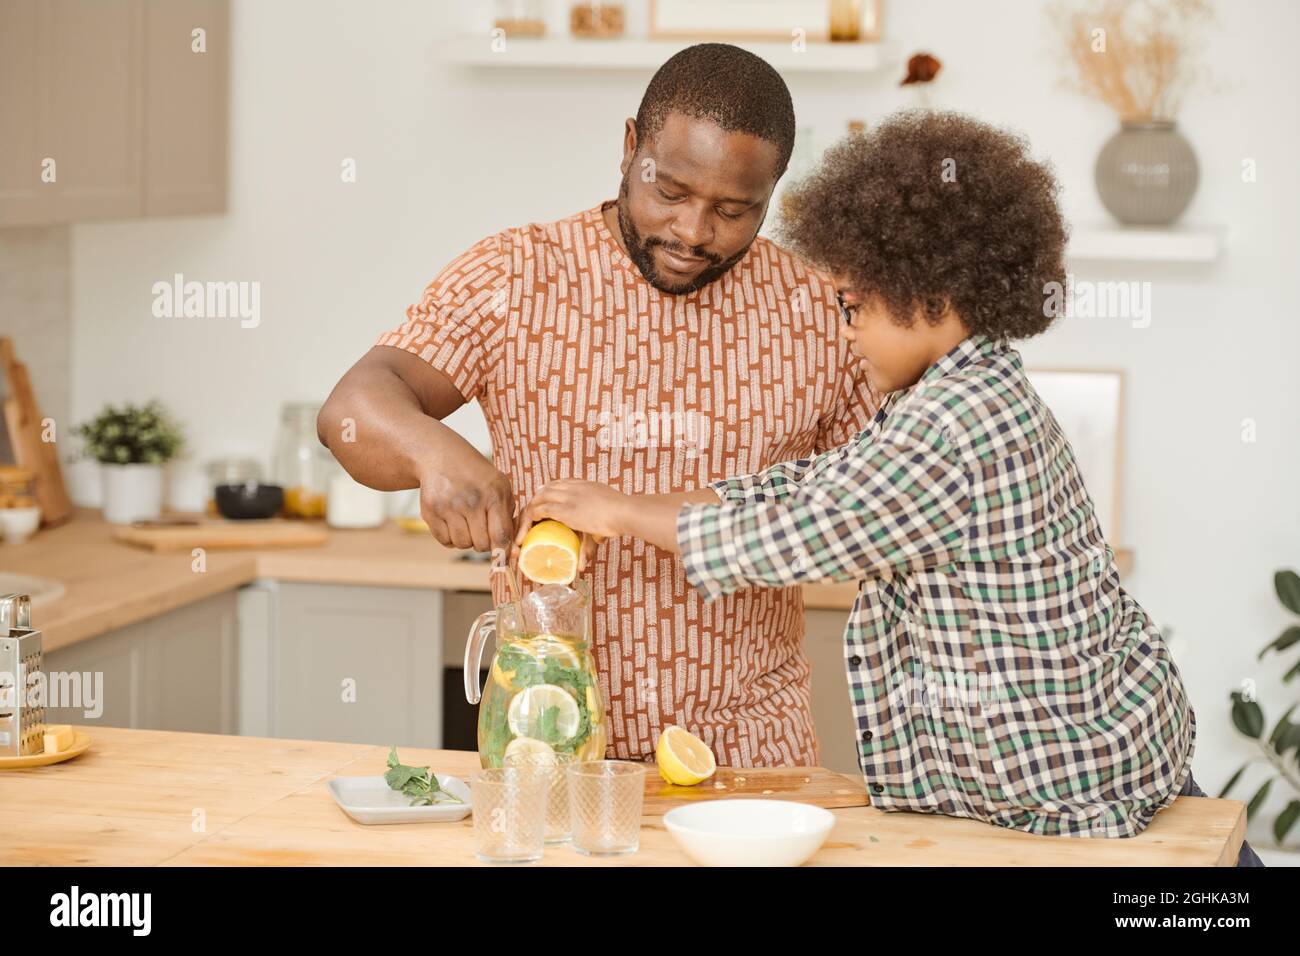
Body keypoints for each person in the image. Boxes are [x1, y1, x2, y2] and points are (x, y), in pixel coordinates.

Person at [515, 110, 1266, 863]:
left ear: (930, 297)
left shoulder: (952, 427)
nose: (845, 332)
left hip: (1065, 792)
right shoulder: (958, 391)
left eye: (853, 308)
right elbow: (824, 481)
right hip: (1066, 763)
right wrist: (691, 498)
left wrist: (621, 510)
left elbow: (802, 537)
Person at [319, 43, 874, 767]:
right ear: (629, 148)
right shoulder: (517, 274)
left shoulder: (819, 309)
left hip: (750, 755)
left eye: (735, 210)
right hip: (544, 738)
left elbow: (876, 502)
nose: (692, 231)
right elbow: (352, 408)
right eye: (670, 191)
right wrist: (435, 451)